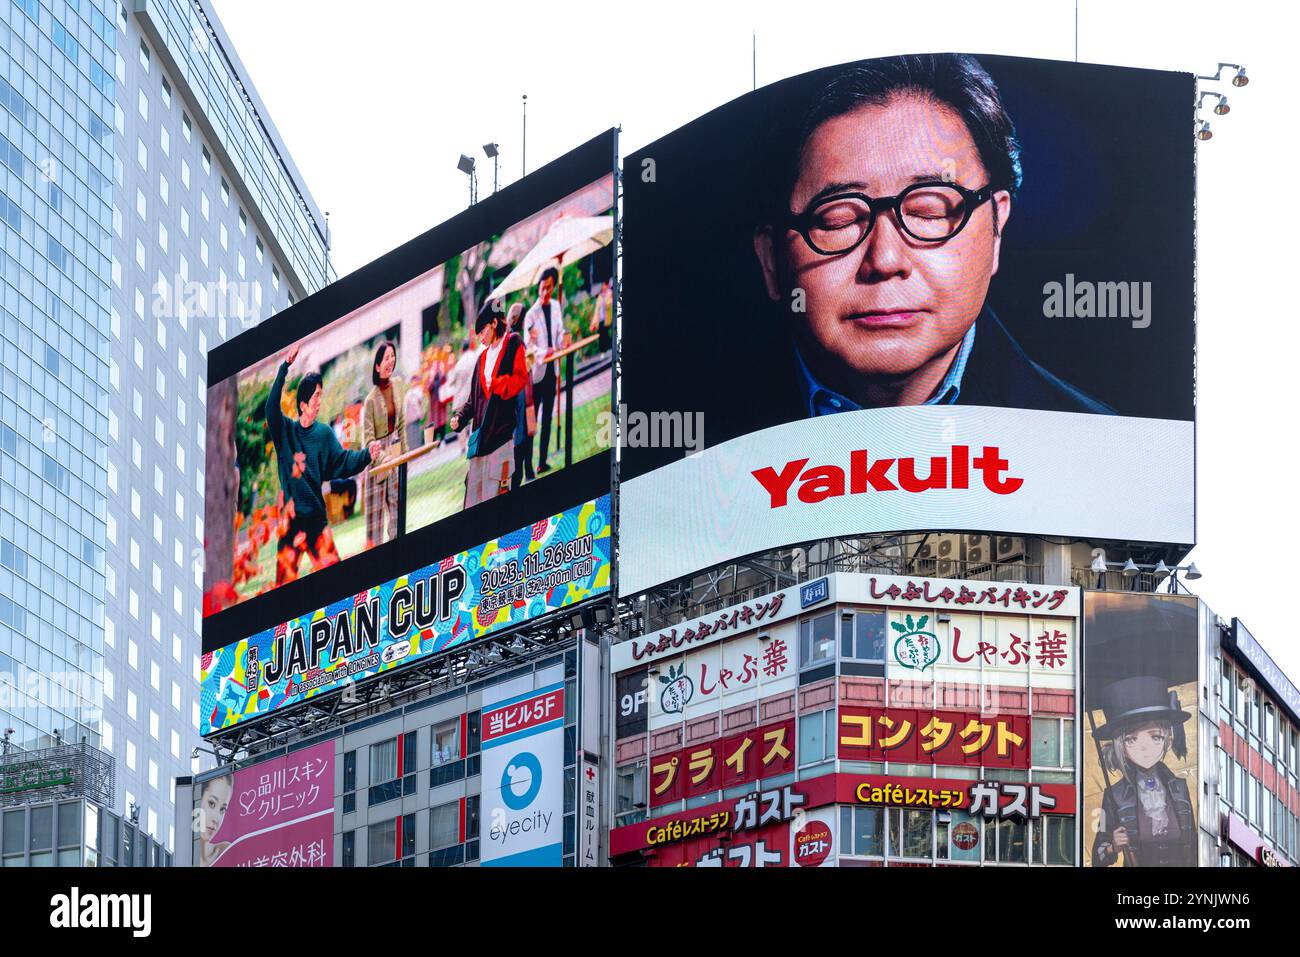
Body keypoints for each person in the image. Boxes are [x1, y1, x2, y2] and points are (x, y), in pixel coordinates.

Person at [751, 54, 1113, 417]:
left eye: (929, 211)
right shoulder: (710, 451)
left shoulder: (1097, 449)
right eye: (839, 218)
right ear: (770, 260)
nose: (885, 260)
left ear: (996, 225)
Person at [265, 343, 381, 584]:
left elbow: (343, 462)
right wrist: (284, 367)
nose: (319, 401)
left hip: (316, 520)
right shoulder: (285, 431)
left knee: (336, 584)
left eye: (320, 395)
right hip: (291, 525)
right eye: (316, 396)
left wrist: (367, 454)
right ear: (303, 405)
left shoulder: (324, 434)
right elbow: (270, 408)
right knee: (281, 594)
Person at [1090, 676, 1196, 867]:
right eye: (1132, 740)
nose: (1144, 748)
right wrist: (1112, 846)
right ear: (1120, 746)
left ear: (1168, 740)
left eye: (1155, 737)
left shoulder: (1180, 788)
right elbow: (1097, 858)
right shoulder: (1114, 796)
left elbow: (1195, 845)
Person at [449, 309, 528, 507]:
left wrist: (496, 383)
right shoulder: (481, 359)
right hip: (479, 443)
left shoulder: (513, 342)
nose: (481, 338)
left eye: (482, 332)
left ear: (494, 323)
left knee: (499, 505)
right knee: (472, 505)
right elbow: (472, 401)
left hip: (501, 440)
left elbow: (520, 380)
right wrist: (459, 419)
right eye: (478, 335)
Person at [361, 340, 407, 547]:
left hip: (395, 451)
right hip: (377, 458)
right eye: (386, 358)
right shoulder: (370, 400)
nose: (391, 361)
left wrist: (404, 456)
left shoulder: (398, 385)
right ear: (377, 366)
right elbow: (368, 439)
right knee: (375, 520)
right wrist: (382, 457)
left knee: (398, 509)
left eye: (392, 356)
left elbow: (402, 423)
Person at [524, 266, 570, 474]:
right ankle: (528, 466)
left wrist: (564, 339)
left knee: (549, 417)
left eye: (549, 288)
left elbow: (559, 333)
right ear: (539, 287)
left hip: (553, 371)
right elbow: (529, 347)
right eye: (542, 288)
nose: (545, 292)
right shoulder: (531, 315)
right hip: (537, 373)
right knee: (532, 422)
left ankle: (542, 462)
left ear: (553, 287)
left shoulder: (556, 307)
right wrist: (546, 352)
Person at [506, 302, 536, 488]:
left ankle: (525, 472)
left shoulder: (509, 337)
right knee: (523, 435)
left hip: (518, 394)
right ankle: (520, 475)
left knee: (523, 434)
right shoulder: (516, 339)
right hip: (521, 393)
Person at [196, 774, 233, 867]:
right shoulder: (182, 856)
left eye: (222, 810)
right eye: (211, 803)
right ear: (198, 799)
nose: (216, 819)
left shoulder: (226, 851)